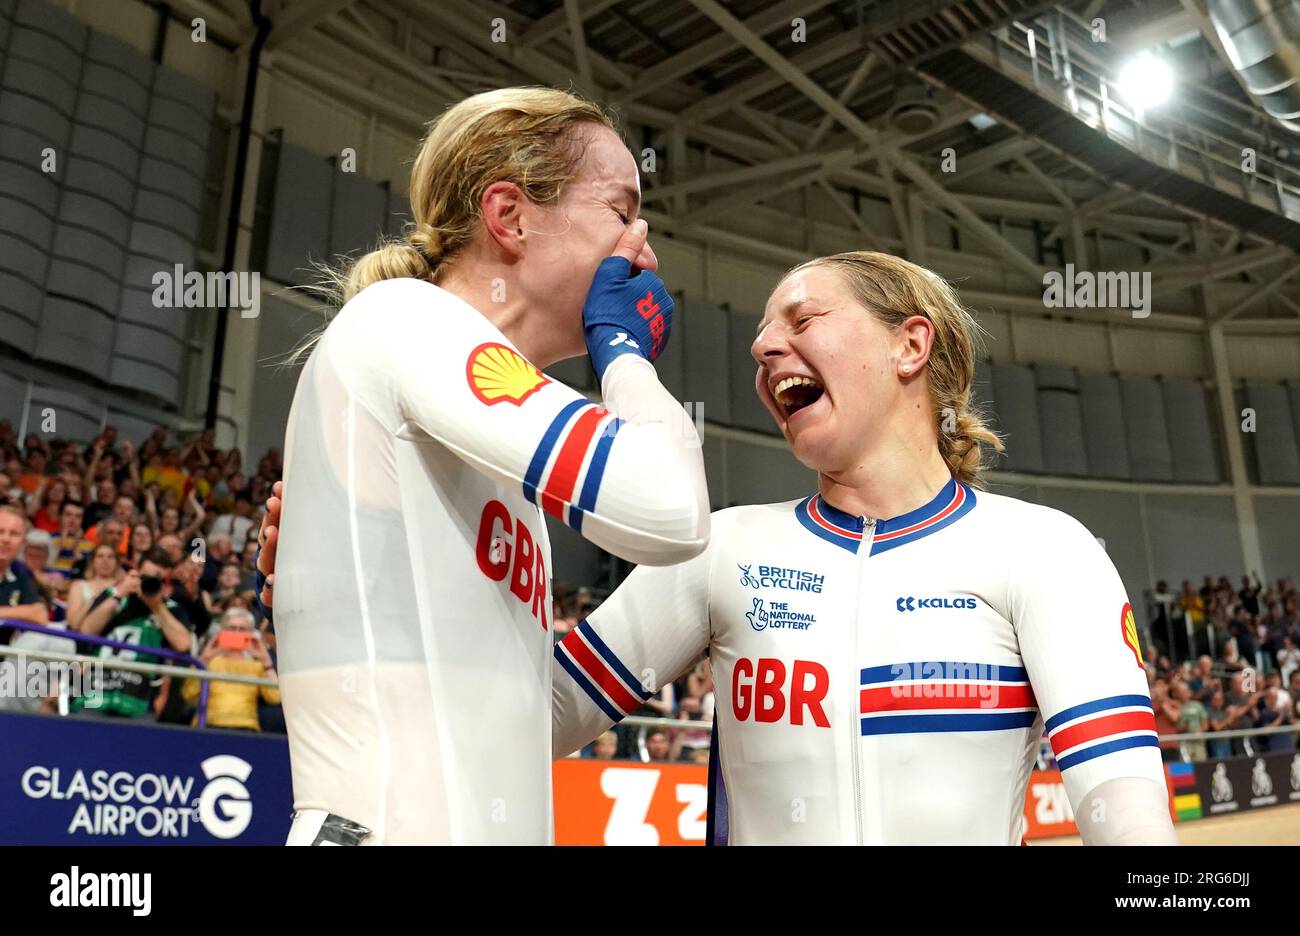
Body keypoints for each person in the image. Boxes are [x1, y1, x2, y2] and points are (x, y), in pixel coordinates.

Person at [550, 251, 1175, 844]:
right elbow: (538, 717)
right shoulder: (719, 548)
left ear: (910, 345)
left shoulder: (1045, 550)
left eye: (801, 319)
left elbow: (1123, 810)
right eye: (764, 334)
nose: (762, 348)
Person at [266, 87, 709, 846]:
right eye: (620, 210)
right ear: (509, 216)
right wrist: (625, 356)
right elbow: (667, 507)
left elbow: (525, 718)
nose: (645, 248)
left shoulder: (504, 464)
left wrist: (711, 583)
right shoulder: (405, 319)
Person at [70, 547, 193, 719]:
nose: (151, 583)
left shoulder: (172, 609)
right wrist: (120, 593)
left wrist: (156, 606)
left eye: (159, 580)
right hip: (95, 693)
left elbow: (184, 644)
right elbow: (87, 630)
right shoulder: (114, 596)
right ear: (136, 573)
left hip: (139, 701)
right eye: (146, 577)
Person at [181, 608, 279, 731]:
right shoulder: (209, 661)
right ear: (222, 631)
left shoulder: (256, 665)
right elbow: (188, 694)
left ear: (251, 634)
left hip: (246, 728)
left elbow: (275, 698)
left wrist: (266, 661)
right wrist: (204, 660)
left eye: (242, 629)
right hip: (207, 726)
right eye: (232, 628)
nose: (236, 633)